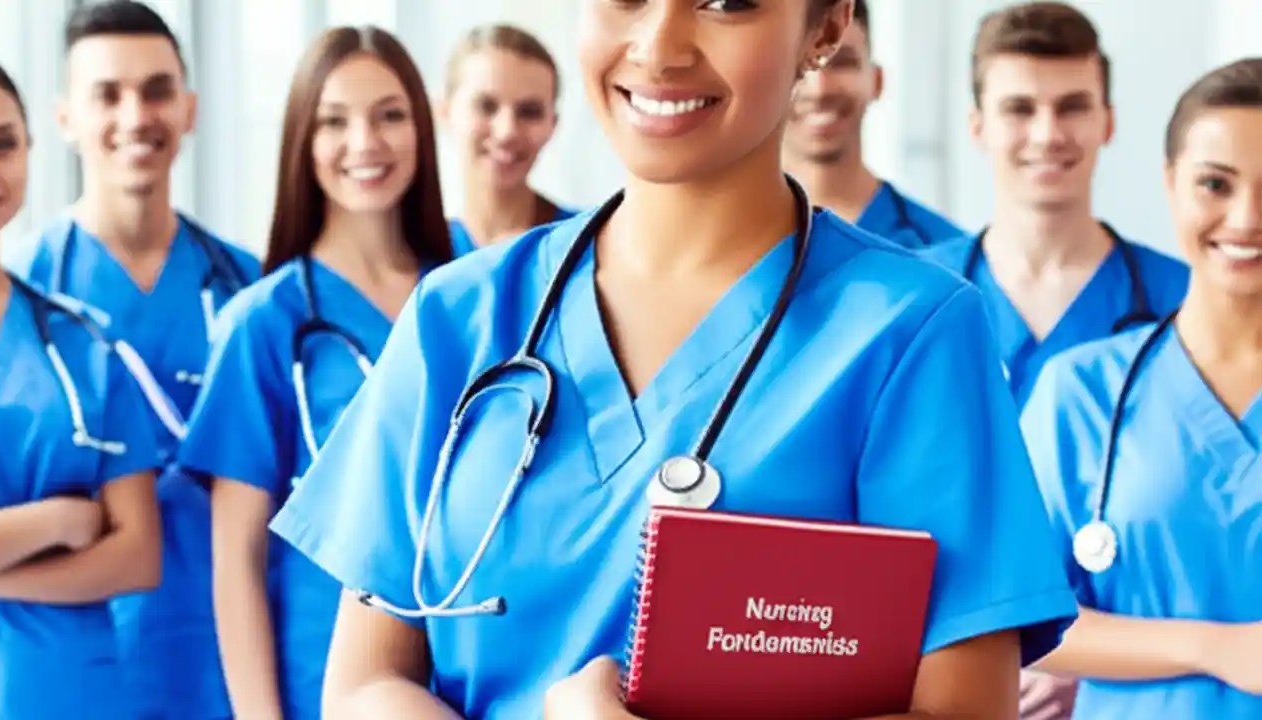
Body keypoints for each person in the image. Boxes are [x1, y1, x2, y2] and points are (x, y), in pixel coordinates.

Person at [269, 2, 1078, 719]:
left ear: (827, 27)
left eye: (727, 3)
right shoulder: (460, 316)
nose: (659, 46)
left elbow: (965, 709)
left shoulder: (912, 333)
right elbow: (367, 682)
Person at [176, 26, 451, 720]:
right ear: (303, 140)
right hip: (322, 677)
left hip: (465, 663)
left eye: (390, 114)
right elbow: (235, 559)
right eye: (335, 121)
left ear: (422, 126)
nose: (366, 142)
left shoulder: (469, 299)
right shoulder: (263, 322)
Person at [4, 2, 260, 717]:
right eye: (107, 94)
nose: (135, 115)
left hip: (227, 659)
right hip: (78, 659)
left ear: (190, 107)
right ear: (64, 119)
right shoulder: (21, 301)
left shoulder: (252, 291)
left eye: (156, 90)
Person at [1022, 56, 1262, 720]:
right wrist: (1218, 648)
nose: (1245, 218)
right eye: (1216, 184)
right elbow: (1023, 614)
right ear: (1170, 184)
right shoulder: (1081, 392)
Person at [0, 54, 162, 719]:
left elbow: (139, 557)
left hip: (71, 692)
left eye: (1, 144)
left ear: (31, 148)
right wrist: (55, 520)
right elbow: (98, 534)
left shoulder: (84, 341)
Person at [921, 2, 1188, 411]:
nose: (1048, 135)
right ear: (978, 128)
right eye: (1019, 110)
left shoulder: (1179, 301)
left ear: (1108, 123)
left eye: (1073, 107)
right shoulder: (919, 292)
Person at [782, 0, 962, 248]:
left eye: (842, 62)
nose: (819, 88)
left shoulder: (945, 256)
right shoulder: (721, 242)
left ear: (877, 82)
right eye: (801, 63)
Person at [439, 23, 576, 256]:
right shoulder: (415, 254)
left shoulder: (588, 242)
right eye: (486, 106)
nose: (507, 131)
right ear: (444, 112)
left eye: (529, 111)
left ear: (552, 125)